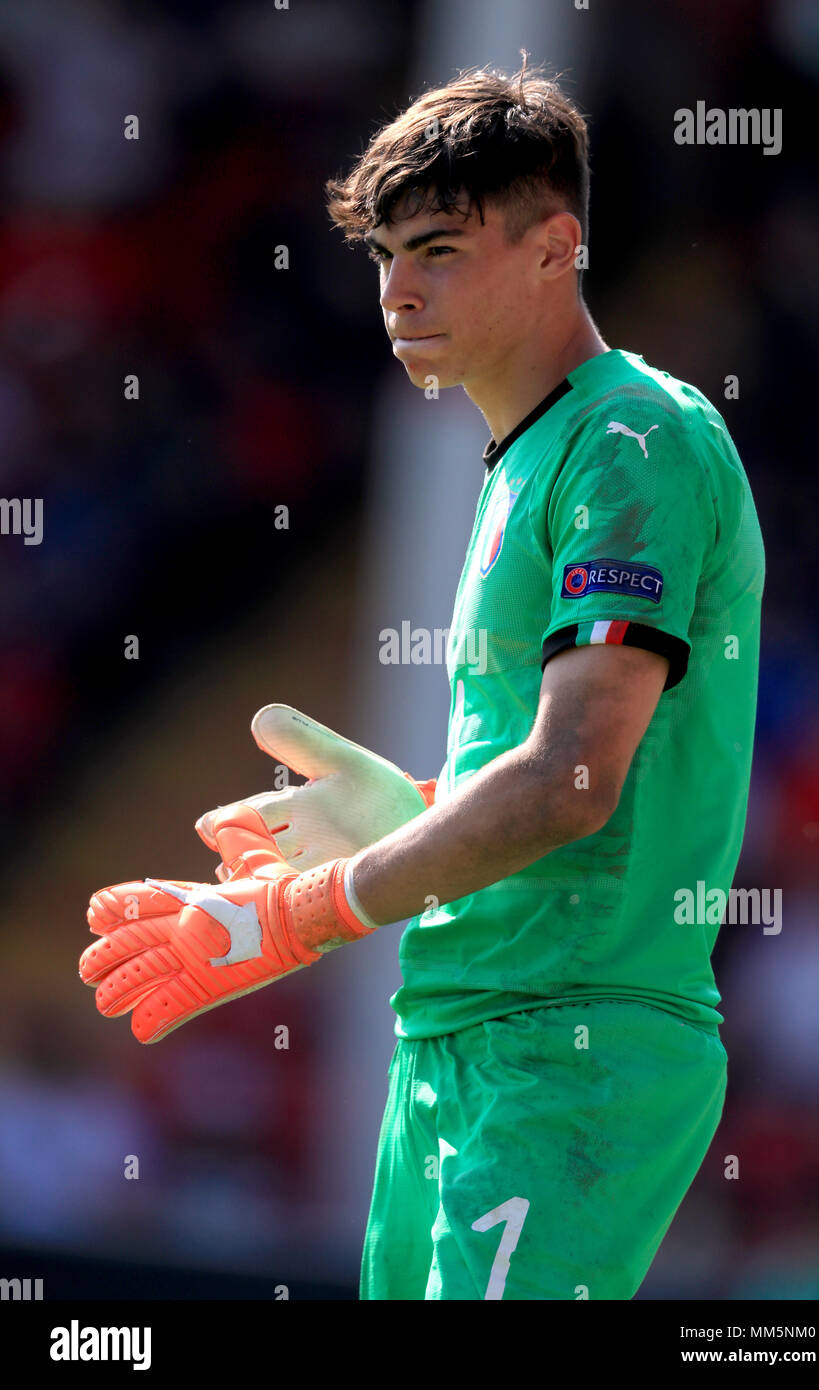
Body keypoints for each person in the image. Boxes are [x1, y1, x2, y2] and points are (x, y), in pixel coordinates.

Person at [81, 57, 765, 1300]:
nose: (396, 289)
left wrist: (303, 911)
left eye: (438, 250)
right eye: (386, 255)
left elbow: (571, 780)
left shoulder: (633, 440)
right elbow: (553, 768)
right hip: (456, 1031)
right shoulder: (525, 459)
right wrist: (415, 808)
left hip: (569, 1044)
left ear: (555, 248)